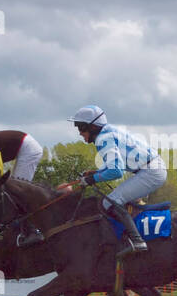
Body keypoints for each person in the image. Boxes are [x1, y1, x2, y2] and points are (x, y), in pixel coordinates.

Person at [69, 105, 168, 257]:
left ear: (93, 126)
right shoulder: (109, 131)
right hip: (150, 169)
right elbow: (116, 164)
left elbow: (116, 171)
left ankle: (136, 241)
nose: (80, 133)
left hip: (150, 172)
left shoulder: (102, 138)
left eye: (81, 128)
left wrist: (90, 180)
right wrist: (97, 172)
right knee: (115, 200)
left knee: (109, 202)